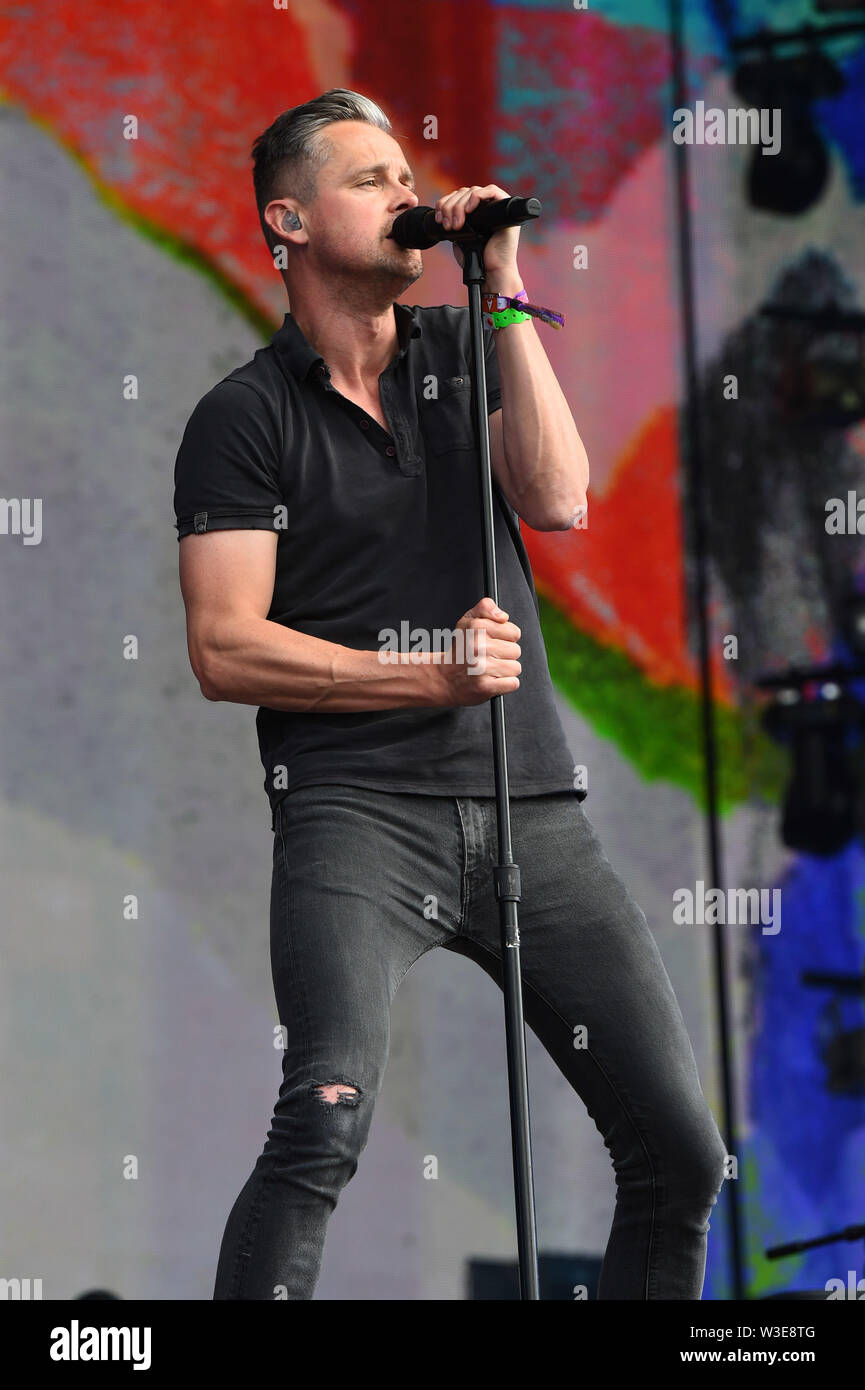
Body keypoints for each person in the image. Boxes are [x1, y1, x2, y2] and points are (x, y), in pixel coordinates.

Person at [173, 88, 727, 1300]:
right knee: (323, 1120)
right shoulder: (243, 418)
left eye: (404, 174)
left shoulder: (465, 346)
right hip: (357, 811)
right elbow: (224, 648)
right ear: (290, 219)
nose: (406, 195)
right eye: (369, 179)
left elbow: (558, 497)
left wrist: (504, 286)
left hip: (527, 799)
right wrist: (423, 672)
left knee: (682, 1155)